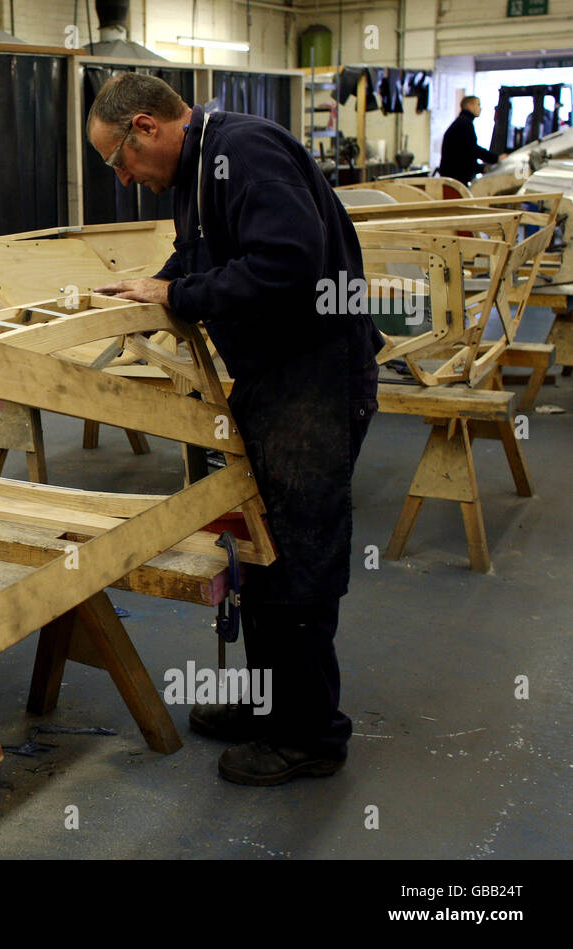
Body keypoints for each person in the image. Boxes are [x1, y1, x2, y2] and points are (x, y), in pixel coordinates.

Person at [87, 72, 383, 786]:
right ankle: (271, 703)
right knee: (261, 547)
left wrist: (180, 293)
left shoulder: (244, 151)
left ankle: (310, 735)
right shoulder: (202, 168)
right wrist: (156, 284)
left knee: (297, 555)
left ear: (146, 128)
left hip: (313, 374)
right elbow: (204, 258)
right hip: (276, 376)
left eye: (118, 160)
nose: (124, 177)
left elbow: (289, 265)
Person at [439, 95, 507, 183]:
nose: (480, 108)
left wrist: (481, 168)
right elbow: (472, 149)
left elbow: (465, 153)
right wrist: (496, 158)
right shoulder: (464, 123)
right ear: (469, 105)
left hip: (455, 174)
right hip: (456, 177)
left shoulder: (462, 122)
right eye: (478, 104)